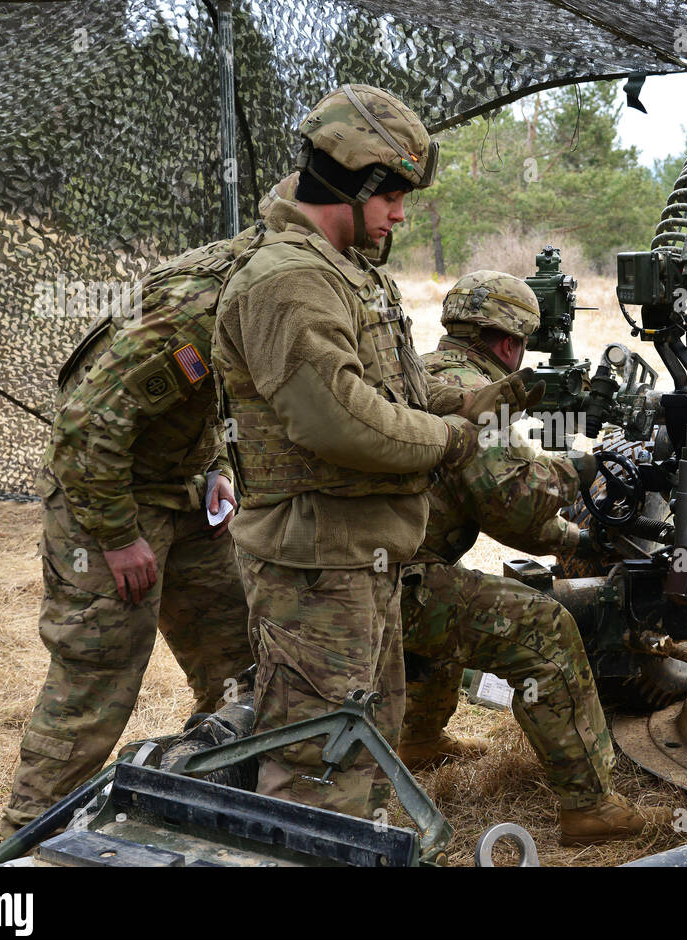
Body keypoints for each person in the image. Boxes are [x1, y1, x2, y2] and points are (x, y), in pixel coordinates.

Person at [212, 85, 540, 820]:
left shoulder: (347, 269)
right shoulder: (289, 280)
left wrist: (485, 399)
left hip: (362, 561)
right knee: (316, 776)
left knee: (364, 748)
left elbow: (399, 391)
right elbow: (343, 422)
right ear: (353, 184)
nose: (400, 212)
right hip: (315, 571)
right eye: (392, 193)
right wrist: (455, 438)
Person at [1, 230, 259, 837]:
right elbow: (85, 427)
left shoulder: (259, 284)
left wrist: (213, 469)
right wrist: (117, 536)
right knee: (97, 680)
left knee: (239, 662)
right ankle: (27, 842)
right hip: (104, 494)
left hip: (182, 492)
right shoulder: (202, 308)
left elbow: (207, 398)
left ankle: (203, 794)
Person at [398, 271, 661, 846]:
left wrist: (579, 542)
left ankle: (417, 740)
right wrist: (587, 468)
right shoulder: (479, 397)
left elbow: (510, 516)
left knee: (456, 593)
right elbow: (516, 507)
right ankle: (590, 806)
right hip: (398, 586)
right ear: (511, 342)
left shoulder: (424, 371)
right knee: (545, 629)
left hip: (376, 574)